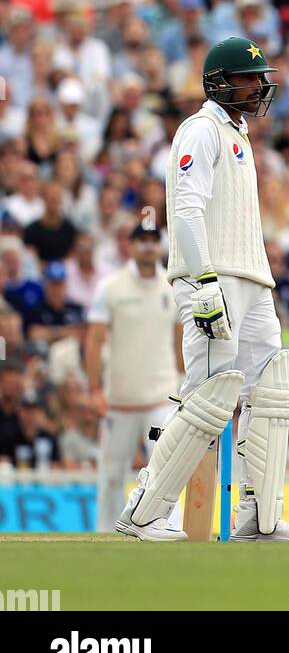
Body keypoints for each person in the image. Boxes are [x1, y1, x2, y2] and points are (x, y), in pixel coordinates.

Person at [116, 36, 289, 542]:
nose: (258, 87)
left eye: (259, 78)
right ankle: (143, 512)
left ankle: (257, 517)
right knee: (206, 397)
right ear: (220, 82)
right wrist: (203, 282)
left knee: (270, 392)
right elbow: (184, 211)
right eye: (249, 78)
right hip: (213, 279)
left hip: (252, 279)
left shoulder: (238, 132)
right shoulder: (201, 130)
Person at [85, 223, 181, 531]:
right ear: (131, 245)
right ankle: (105, 533)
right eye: (142, 241)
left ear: (161, 246)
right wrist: (95, 389)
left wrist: (182, 386)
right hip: (119, 402)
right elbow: (95, 339)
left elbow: (181, 341)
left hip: (160, 401)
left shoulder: (172, 287)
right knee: (112, 472)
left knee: (164, 466)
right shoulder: (111, 287)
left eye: (154, 241)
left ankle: (167, 526)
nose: (148, 247)